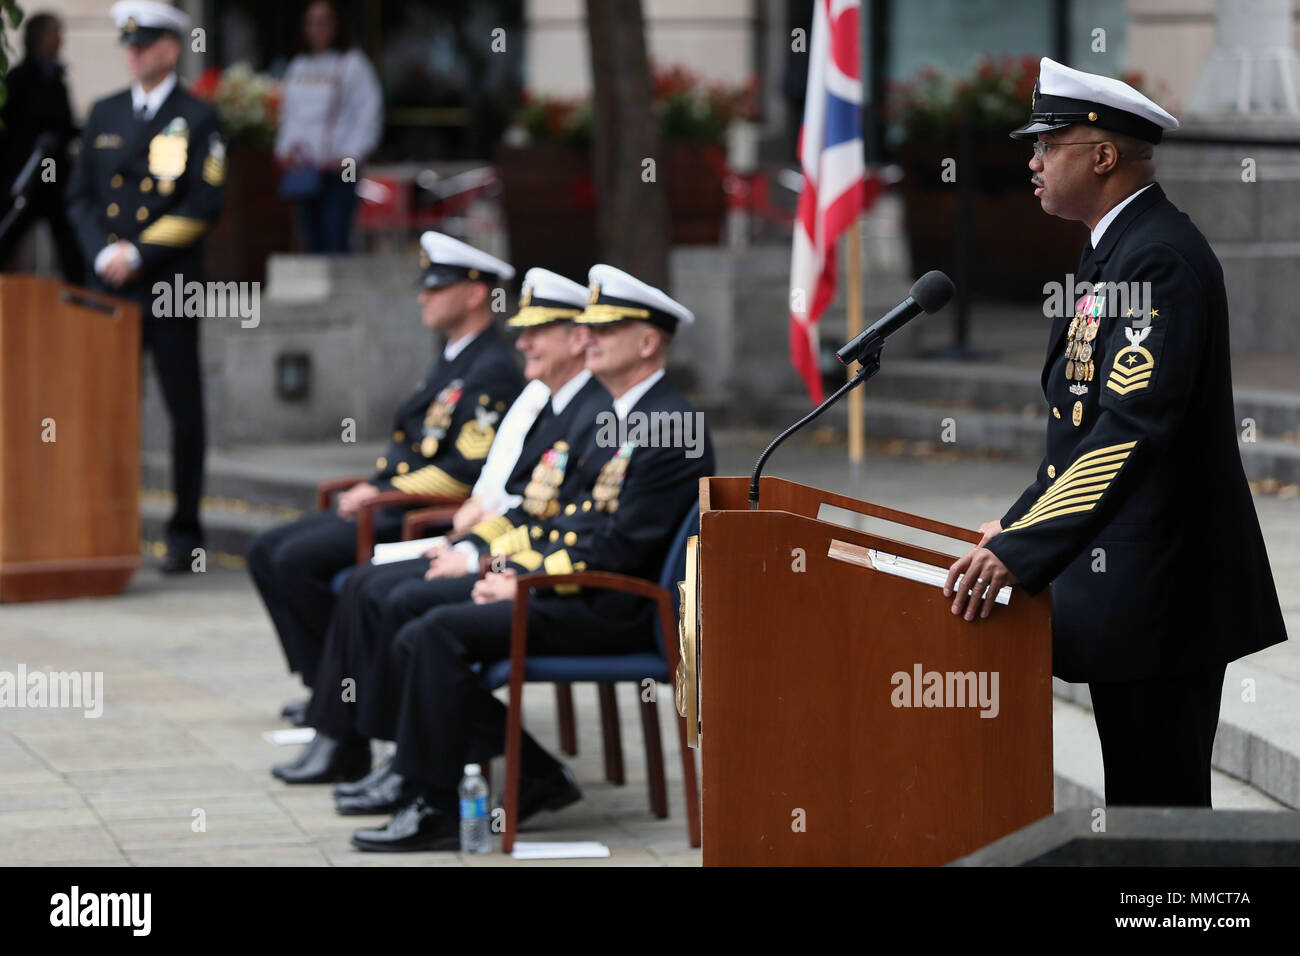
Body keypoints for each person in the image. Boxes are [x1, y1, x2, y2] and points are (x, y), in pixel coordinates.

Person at [944, 58, 1288, 808]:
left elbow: (1131, 429)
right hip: (1130, 582)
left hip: (1165, 590)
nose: (1031, 162)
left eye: (1048, 144)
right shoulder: (1113, 250)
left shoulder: (1157, 257)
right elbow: (1081, 427)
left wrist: (1026, 549)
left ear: (1102, 156)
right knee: (1143, 802)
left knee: (1160, 807)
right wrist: (1018, 520)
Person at [350, 264, 715, 851]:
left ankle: (442, 801)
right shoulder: (614, 415)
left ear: (648, 343)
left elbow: (619, 548)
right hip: (567, 586)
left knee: (433, 631)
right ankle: (462, 783)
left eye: (606, 328)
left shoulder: (672, 425)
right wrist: (504, 569)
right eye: (587, 327)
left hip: (609, 605)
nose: (588, 337)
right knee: (414, 619)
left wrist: (521, 580)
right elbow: (554, 517)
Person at [272, 268, 611, 790]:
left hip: (565, 588)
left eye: (537, 332)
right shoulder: (553, 400)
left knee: (405, 610)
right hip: (508, 552)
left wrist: (492, 563)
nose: (522, 342)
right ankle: (362, 739)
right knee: (369, 585)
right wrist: (476, 546)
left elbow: (580, 528)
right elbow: (527, 505)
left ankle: (419, 767)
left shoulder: (600, 414)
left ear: (578, 337)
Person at [246, 231, 523, 719]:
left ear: (476, 294)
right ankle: (327, 687)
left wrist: (382, 492)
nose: (423, 296)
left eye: (436, 287)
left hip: (417, 514)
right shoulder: (454, 358)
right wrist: (376, 487)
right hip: (393, 502)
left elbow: (465, 473)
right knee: (265, 550)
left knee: (294, 560)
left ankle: (338, 694)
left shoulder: (491, 367)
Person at [65, 1, 225, 573]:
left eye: (144, 43)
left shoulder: (198, 117)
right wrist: (103, 252)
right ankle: (104, 523)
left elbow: (204, 202)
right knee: (107, 409)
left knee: (184, 411)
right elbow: (79, 196)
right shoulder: (104, 112)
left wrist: (140, 252)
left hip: (168, 285)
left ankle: (185, 533)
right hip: (107, 284)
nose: (133, 53)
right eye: (128, 44)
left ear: (170, 48)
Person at [273, 0, 383, 254]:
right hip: (305, 168)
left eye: (323, 22)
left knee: (336, 239)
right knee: (310, 241)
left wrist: (351, 154)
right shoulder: (299, 65)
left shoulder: (353, 64)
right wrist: (285, 149)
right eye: (311, 23)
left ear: (336, 25)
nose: (316, 30)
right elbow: (290, 115)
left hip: (338, 169)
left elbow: (368, 114)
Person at [0, 11, 84, 282]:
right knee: (9, 234)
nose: (60, 40)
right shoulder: (19, 79)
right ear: (40, 38)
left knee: (69, 244)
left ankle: (81, 297)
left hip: (55, 180)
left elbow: (64, 125)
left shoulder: (57, 78)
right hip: (28, 177)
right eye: (55, 33)